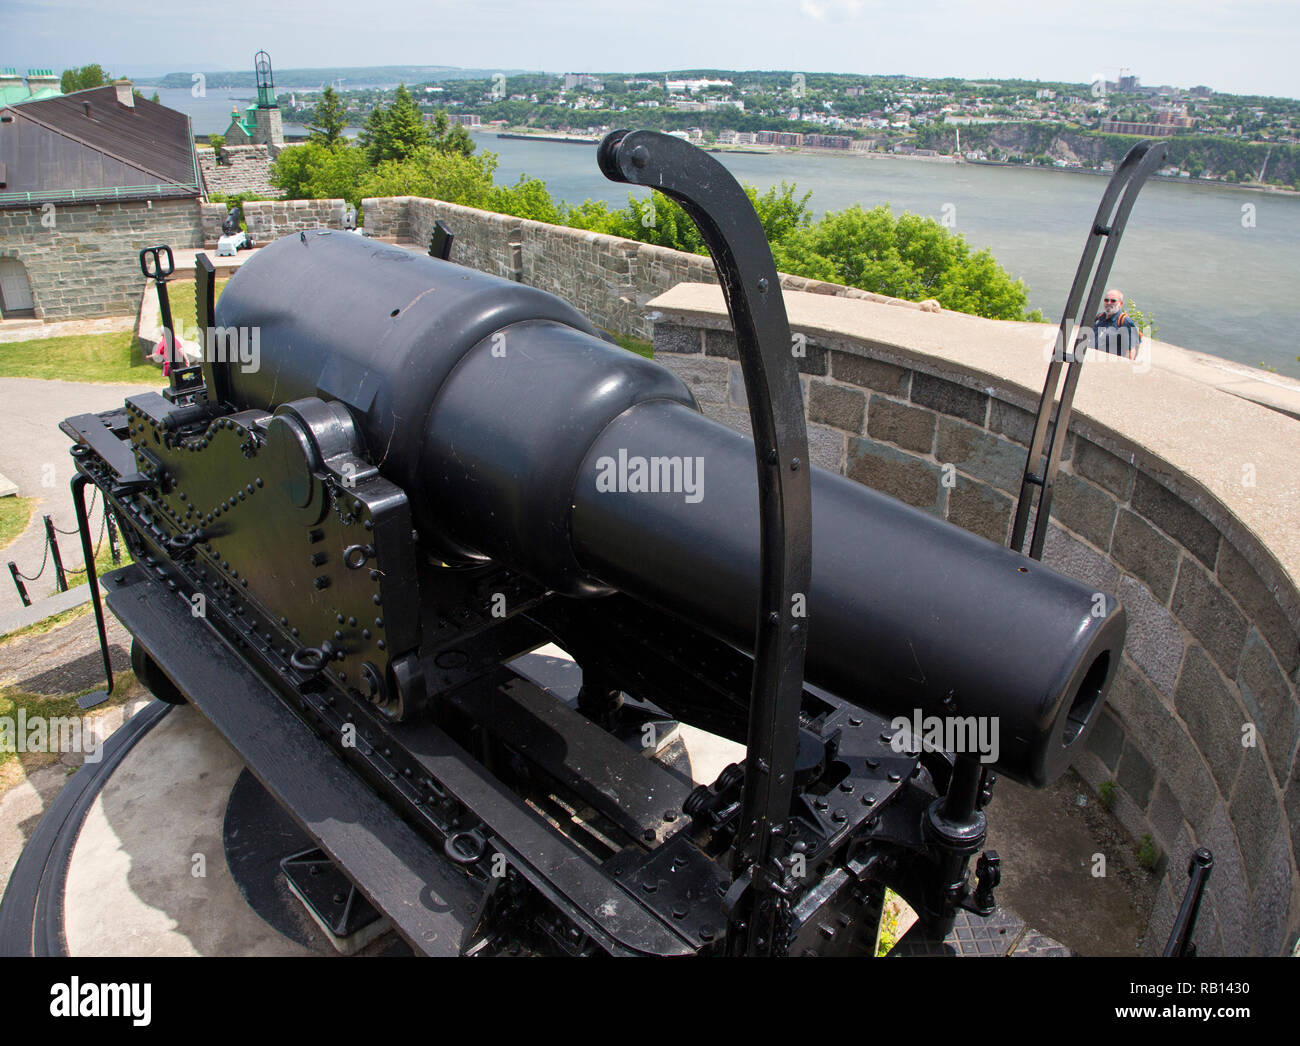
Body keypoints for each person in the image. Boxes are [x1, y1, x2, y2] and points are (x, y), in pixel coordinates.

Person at [1093, 288, 1141, 360]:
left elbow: (1132, 349)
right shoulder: (1099, 317)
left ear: (1120, 304)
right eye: (1106, 300)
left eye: (1113, 301)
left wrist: (1127, 366)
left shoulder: (1124, 321)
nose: (1109, 303)